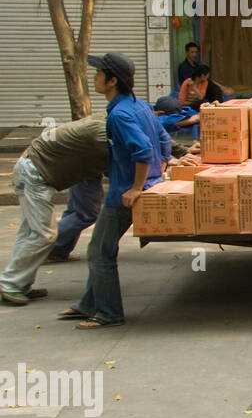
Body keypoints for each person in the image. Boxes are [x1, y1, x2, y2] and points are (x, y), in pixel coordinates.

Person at [59, 52, 169, 329]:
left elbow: (143, 151)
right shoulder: (140, 106)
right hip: (148, 185)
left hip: (124, 194)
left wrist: (135, 188)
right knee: (102, 248)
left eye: (98, 74)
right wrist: (158, 172)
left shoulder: (120, 114)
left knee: (99, 251)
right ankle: (88, 303)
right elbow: (163, 140)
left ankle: (108, 313)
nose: (93, 78)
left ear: (112, 80)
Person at [1, 114, 110, 305]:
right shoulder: (100, 131)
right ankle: (10, 284)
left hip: (32, 171)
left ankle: (20, 283)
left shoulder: (104, 122)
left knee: (30, 233)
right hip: (33, 174)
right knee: (45, 235)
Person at [46, 177, 106, 264]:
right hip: (86, 170)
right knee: (85, 215)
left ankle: (58, 251)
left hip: (81, 170)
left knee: (76, 211)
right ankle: (46, 245)